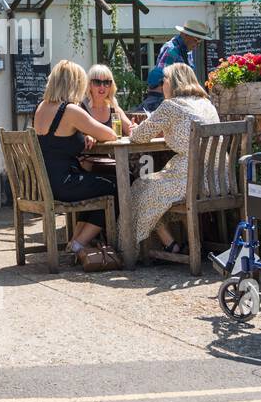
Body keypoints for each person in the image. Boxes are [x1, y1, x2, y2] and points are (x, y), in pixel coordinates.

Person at [127, 64, 220, 256]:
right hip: (218, 180)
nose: (162, 85)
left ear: (173, 82)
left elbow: (139, 136)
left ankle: (167, 245)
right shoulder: (207, 104)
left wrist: (133, 130)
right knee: (153, 188)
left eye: (164, 81)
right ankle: (190, 244)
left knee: (139, 187)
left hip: (190, 181)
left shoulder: (171, 106)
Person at [33, 60, 118, 255]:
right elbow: (110, 134)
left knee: (97, 185)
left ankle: (75, 242)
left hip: (45, 184)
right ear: (75, 84)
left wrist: (84, 134)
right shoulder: (69, 110)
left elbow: (59, 140)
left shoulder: (41, 107)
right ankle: (79, 244)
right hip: (64, 184)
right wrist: (89, 133)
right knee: (116, 187)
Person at [83, 64, 133, 136]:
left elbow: (130, 130)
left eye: (106, 82)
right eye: (97, 82)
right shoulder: (81, 107)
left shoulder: (114, 107)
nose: (102, 86)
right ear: (89, 85)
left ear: (111, 86)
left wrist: (134, 128)